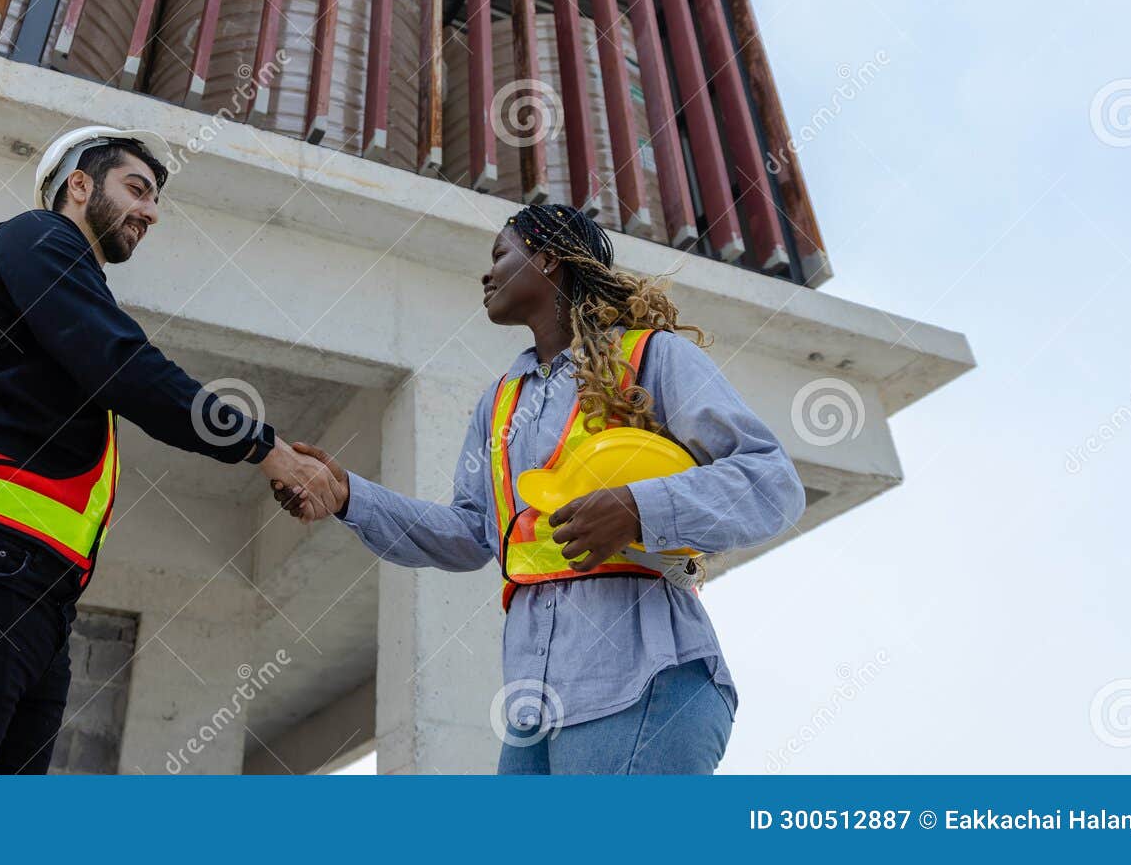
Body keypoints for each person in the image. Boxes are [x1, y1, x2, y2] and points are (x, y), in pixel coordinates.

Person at [0, 125, 338, 773]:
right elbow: (126, 368)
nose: (151, 211)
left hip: (25, 596)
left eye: (156, 199)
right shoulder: (33, 238)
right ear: (78, 184)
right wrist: (268, 450)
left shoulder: (54, 297)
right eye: (137, 188)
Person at [286, 203, 805, 774]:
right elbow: (469, 534)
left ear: (548, 259)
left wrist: (638, 509)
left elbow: (772, 483)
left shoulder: (651, 356)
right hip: (535, 709)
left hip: (646, 682)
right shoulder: (499, 402)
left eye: (500, 255)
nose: (485, 275)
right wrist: (350, 497)